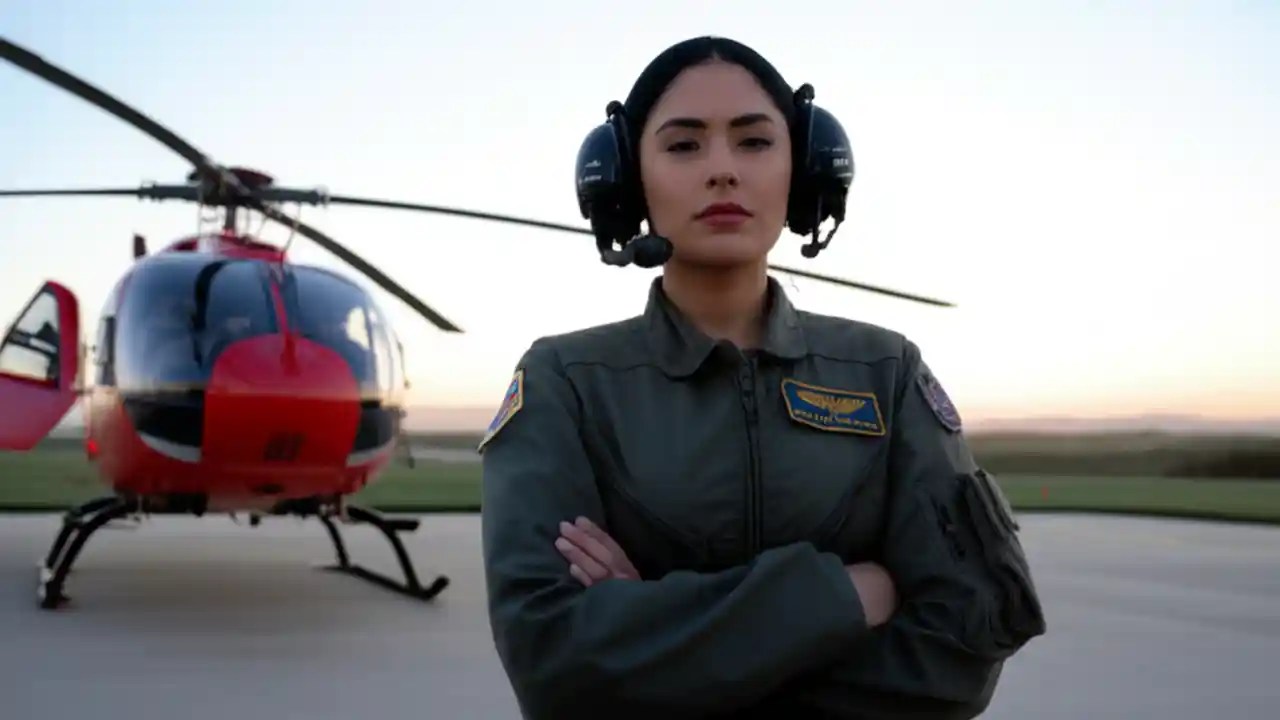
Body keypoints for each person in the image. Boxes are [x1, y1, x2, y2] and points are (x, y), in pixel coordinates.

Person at [478, 36, 1046, 720]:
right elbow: (555, 665)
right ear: (630, 181)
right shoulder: (565, 383)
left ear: (802, 172)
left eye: (753, 142)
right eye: (684, 146)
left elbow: (966, 637)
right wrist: (847, 597)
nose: (722, 170)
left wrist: (654, 636)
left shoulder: (886, 372)